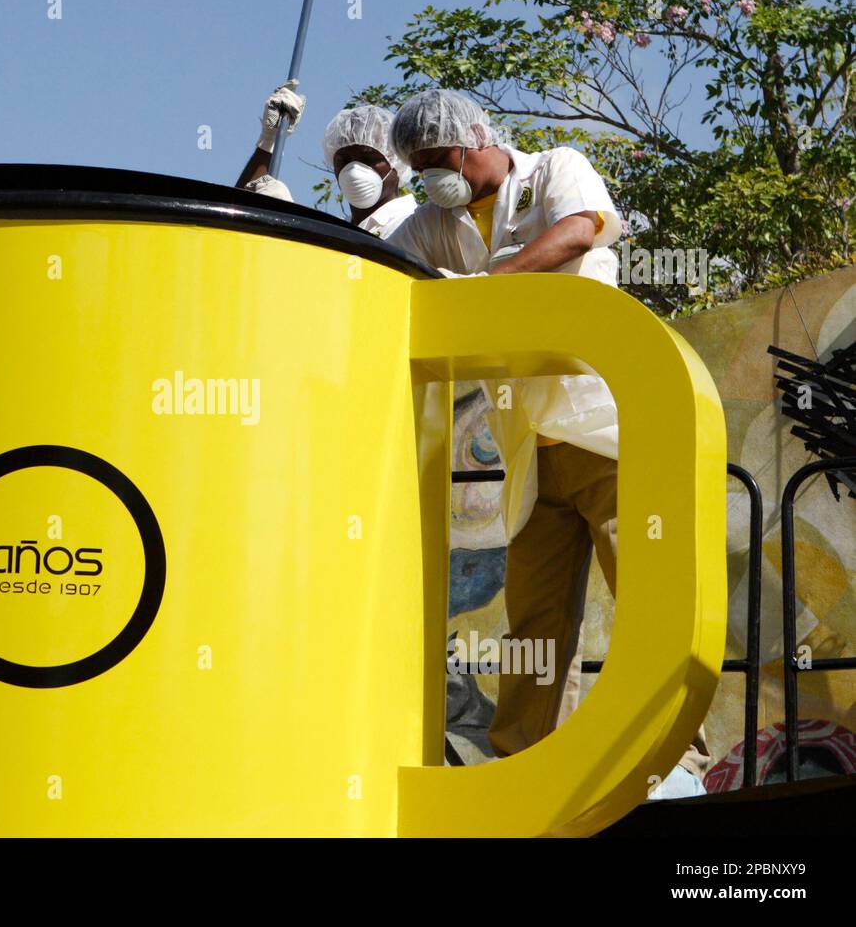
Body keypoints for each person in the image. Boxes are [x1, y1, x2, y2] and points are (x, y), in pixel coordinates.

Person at [386, 90, 710, 798]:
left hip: (607, 426)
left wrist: (481, 288)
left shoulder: (554, 169)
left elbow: (581, 230)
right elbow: (378, 269)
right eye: (419, 168)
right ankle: (522, 763)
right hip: (530, 446)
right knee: (534, 618)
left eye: (439, 159)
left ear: (475, 138)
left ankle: (676, 761)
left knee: (647, 595)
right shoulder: (437, 224)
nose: (433, 175)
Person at [235, 83, 415, 238]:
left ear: (397, 162)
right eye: (344, 159)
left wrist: (293, 226)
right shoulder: (340, 230)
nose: (353, 169)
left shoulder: (413, 223)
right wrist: (269, 140)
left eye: (369, 158)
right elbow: (235, 212)